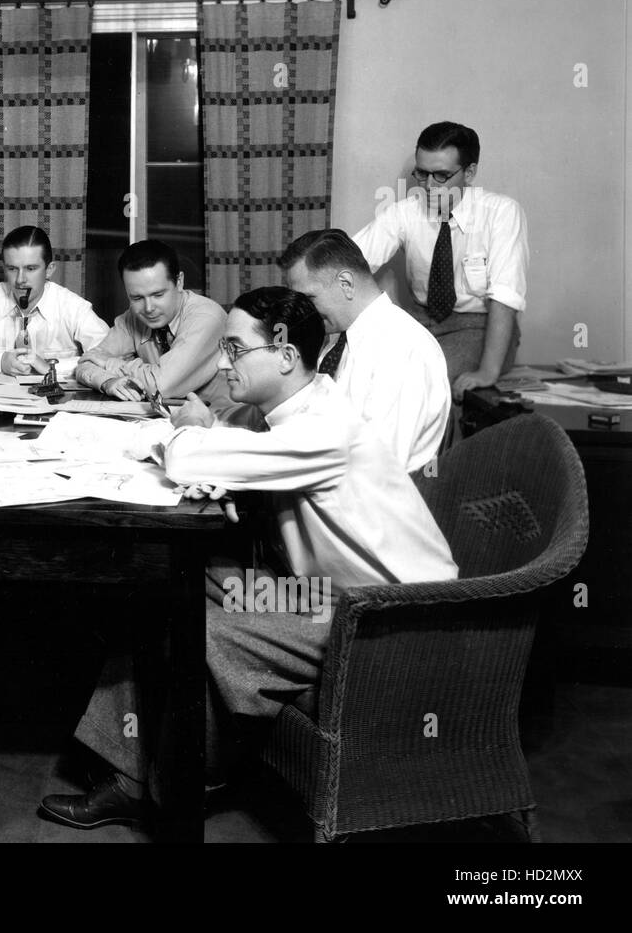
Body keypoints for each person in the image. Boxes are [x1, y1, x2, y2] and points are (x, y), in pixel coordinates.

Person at [39, 287, 456, 830]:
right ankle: (134, 771)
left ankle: (171, 787)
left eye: (235, 350)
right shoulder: (293, 416)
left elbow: (189, 452)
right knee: (171, 585)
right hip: (322, 597)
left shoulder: (326, 427)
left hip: (387, 618)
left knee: (200, 629)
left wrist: (196, 445)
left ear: (285, 355)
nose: (221, 362)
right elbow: (259, 470)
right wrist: (233, 487)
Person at [351, 121, 528, 401]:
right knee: (368, 376)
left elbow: (505, 297)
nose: (429, 186)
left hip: (477, 326)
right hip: (420, 322)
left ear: (469, 172)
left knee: (426, 385)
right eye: (422, 173)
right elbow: (349, 261)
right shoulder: (404, 212)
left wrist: (487, 372)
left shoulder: (501, 213)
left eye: (442, 175)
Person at [279, 228, 450, 472]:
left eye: (309, 298)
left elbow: (377, 465)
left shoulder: (401, 348)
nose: (303, 311)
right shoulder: (336, 346)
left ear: (346, 283)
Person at [75, 239, 231, 409]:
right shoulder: (133, 317)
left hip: (222, 424)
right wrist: (108, 381)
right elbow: (86, 363)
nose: (149, 308)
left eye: (158, 295)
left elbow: (162, 386)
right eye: (137, 298)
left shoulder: (206, 317)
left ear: (179, 282)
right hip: (166, 421)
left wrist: (109, 363)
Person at [0, 225, 109, 376]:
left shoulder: (74, 307)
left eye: (30, 268)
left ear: (49, 270)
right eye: (12, 269)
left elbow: (110, 358)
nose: (20, 280)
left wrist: (52, 367)